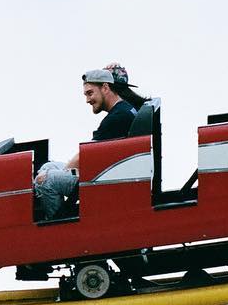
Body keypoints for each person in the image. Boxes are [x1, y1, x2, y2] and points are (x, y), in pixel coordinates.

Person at [33, 64, 146, 220]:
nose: (87, 100)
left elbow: (86, 157)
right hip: (106, 170)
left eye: (90, 93)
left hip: (103, 180)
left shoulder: (116, 118)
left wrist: (64, 171)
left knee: (44, 180)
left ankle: (58, 226)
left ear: (105, 88)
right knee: (48, 166)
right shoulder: (126, 109)